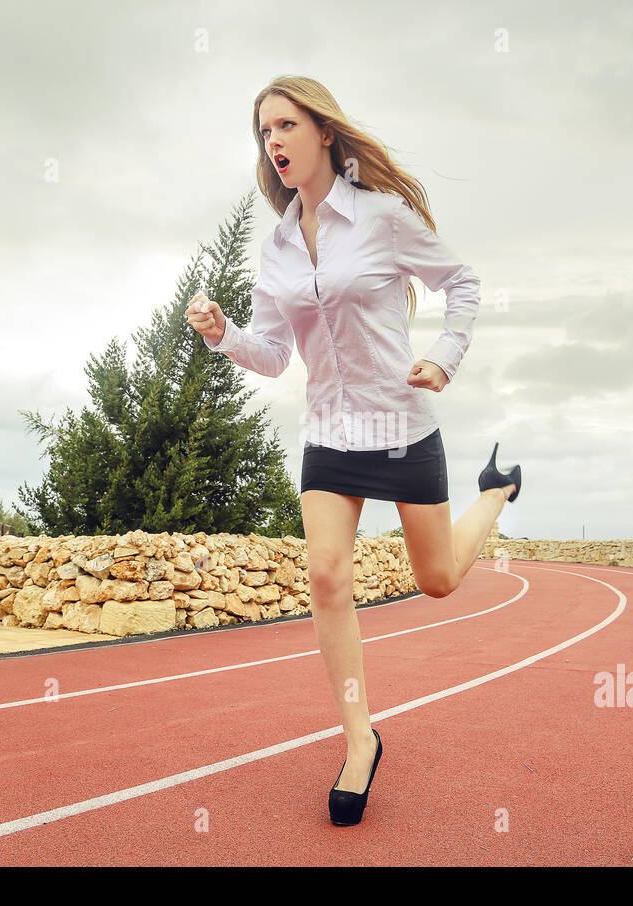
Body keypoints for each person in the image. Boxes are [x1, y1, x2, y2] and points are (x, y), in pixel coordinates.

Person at [186, 75, 522, 826]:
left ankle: (495, 491)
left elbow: (460, 282)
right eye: (263, 131)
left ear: (324, 132)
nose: (272, 142)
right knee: (325, 574)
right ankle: (359, 740)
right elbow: (274, 354)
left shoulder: (381, 216)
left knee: (436, 579)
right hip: (330, 435)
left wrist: (444, 356)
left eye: (285, 125)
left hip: (402, 429)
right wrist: (223, 336)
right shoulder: (274, 247)